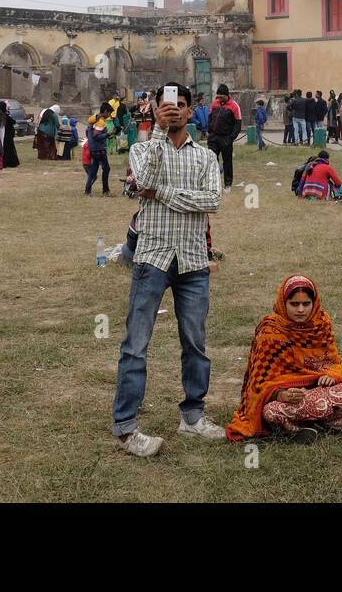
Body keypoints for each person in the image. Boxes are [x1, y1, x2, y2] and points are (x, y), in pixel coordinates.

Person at [113, 81, 225, 456]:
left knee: (195, 342)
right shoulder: (143, 148)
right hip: (152, 257)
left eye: (179, 105)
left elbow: (212, 200)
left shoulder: (206, 157)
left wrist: (161, 194)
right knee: (136, 345)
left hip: (193, 259)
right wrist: (158, 132)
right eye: (166, 105)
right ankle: (127, 428)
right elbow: (141, 181)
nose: (173, 109)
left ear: (190, 111)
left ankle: (193, 416)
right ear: (155, 110)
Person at [226, 275, 342, 442]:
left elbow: (333, 363)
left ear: (314, 304)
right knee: (270, 412)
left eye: (306, 304)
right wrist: (280, 394)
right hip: (294, 401)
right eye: (294, 304)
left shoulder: (321, 325)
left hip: (322, 393)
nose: (300, 310)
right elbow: (257, 384)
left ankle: (308, 427)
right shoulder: (270, 332)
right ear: (283, 304)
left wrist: (331, 376)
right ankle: (331, 423)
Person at [207, 84, 243, 192]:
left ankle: (228, 184)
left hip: (226, 139)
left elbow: (238, 124)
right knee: (211, 161)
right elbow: (210, 118)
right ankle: (213, 183)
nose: (218, 99)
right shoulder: (214, 104)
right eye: (217, 97)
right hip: (213, 138)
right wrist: (210, 131)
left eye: (221, 97)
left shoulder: (234, 106)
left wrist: (231, 138)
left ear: (226, 95)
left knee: (227, 162)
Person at [86, 103, 114, 195]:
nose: (109, 116)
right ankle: (105, 190)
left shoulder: (93, 118)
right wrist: (108, 134)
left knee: (94, 170)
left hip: (92, 148)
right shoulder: (101, 122)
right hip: (99, 149)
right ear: (105, 111)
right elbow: (96, 135)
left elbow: (89, 131)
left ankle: (87, 191)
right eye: (109, 113)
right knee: (106, 169)